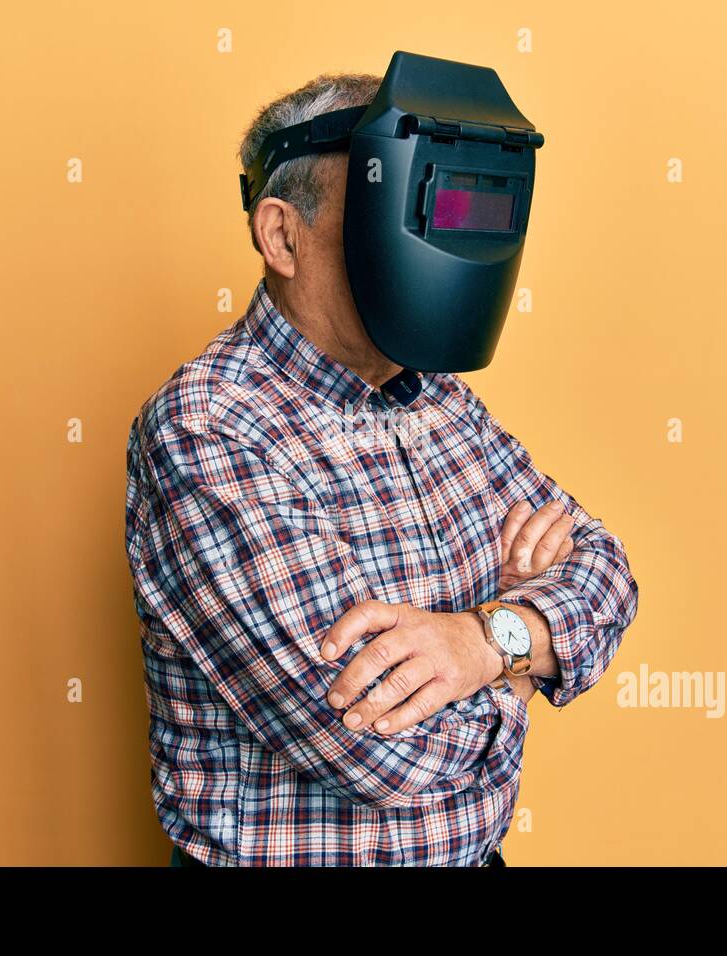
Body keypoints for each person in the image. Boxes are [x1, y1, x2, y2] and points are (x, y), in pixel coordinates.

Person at [124, 69, 637, 867]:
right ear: (282, 236)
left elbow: (606, 569)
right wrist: (523, 661)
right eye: (385, 214)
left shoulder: (440, 401)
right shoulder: (210, 428)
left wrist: (480, 639)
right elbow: (383, 753)